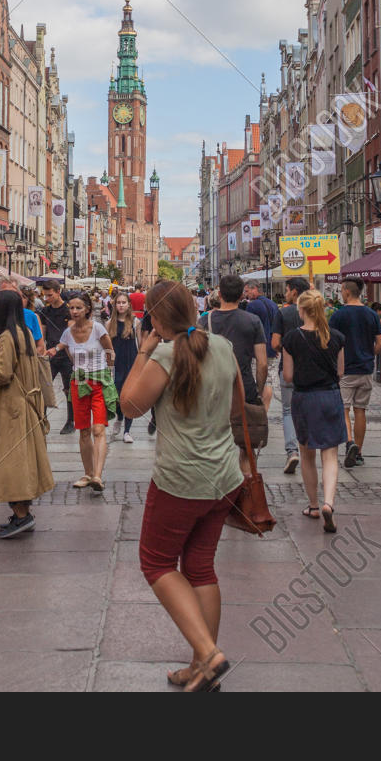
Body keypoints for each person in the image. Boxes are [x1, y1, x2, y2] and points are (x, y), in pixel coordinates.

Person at [119, 281, 241, 692]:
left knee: (156, 563)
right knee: (201, 566)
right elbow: (240, 398)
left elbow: (130, 406)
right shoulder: (222, 346)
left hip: (181, 480)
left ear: (154, 317)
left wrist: (142, 352)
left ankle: (209, 654)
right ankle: (200, 665)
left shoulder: (165, 355)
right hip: (224, 477)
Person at [0, 289, 56, 538]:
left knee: (12, 463)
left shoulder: (6, 337)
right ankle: (20, 513)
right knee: (25, 460)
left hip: (13, 406)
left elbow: (2, 374)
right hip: (29, 402)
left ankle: (22, 516)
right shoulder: (24, 332)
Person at [283, 289, 345, 532]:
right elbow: (340, 372)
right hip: (330, 396)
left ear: (301, 310)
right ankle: (329, 502)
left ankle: (314, 505)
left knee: (307, 455)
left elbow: (288, 376)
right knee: (330, 456)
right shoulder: (337, 337)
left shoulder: (292, 338)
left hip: (304, 398)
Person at [200, 275, 267, 458]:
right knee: (246, 445)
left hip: (213, 389)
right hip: (243, 386)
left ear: (219, 294)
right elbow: (262, 363)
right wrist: (258, 391)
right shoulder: (253, 321)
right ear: (241, 295)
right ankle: (245, 483)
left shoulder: (204, 322)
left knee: (214, 444)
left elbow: (197, 359)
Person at [56, 292, 115, 490]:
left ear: (87, 309)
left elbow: (110, 352)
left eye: (78, 308)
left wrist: (104, 372)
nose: (74, 311)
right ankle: (88, 474)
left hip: (98, 382)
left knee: (98, 429)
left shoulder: (98, 328)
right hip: (79, 383)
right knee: (83, 431)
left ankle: (97, 476)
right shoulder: (67, 333)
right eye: (71, 308)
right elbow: (66, 352)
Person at [330, 279, 381, 467]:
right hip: (365, 369)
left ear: (346, 292)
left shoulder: (338, 315)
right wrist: (370, 354)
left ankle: (349, 443)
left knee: (344, 409)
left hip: (346, 370)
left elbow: (331, 342)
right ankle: (359, 452)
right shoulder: (371, 314)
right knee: (360, 410)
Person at [269, 276, 311, 476]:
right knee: (306, 409)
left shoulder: (283, 313)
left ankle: (292, 451)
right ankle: (308, 448)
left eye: (287, 290)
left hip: (288, 367)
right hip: (311, 367)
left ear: (294, 292)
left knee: (287, 410)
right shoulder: (314, 312)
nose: (285, 293)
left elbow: (275, 342)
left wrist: (282, 348)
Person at [38, 278, 75, 434]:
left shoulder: (69, 310)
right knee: (44, 387)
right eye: (45, 296)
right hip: (50, 355)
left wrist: (59, 348)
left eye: (50, 295)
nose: (47, 299)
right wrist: (42, 349)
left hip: (66, 355)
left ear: (58, 292)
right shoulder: (45, 311)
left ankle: (70, 421)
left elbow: (71, 334)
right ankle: (42, 418)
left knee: (69, 389)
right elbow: (43, 333)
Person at [106, 292, 141, 442]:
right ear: (115, 305)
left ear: (129, 305)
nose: (121, 305)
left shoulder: (135, 322)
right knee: (117, 397)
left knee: (129, 398)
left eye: (123, 302)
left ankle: (127, 431)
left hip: (131, 362)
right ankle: (119, 418)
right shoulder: (109, 323)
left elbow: (140, 344)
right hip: (116, 363)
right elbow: (105, 346)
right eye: (118, 302)